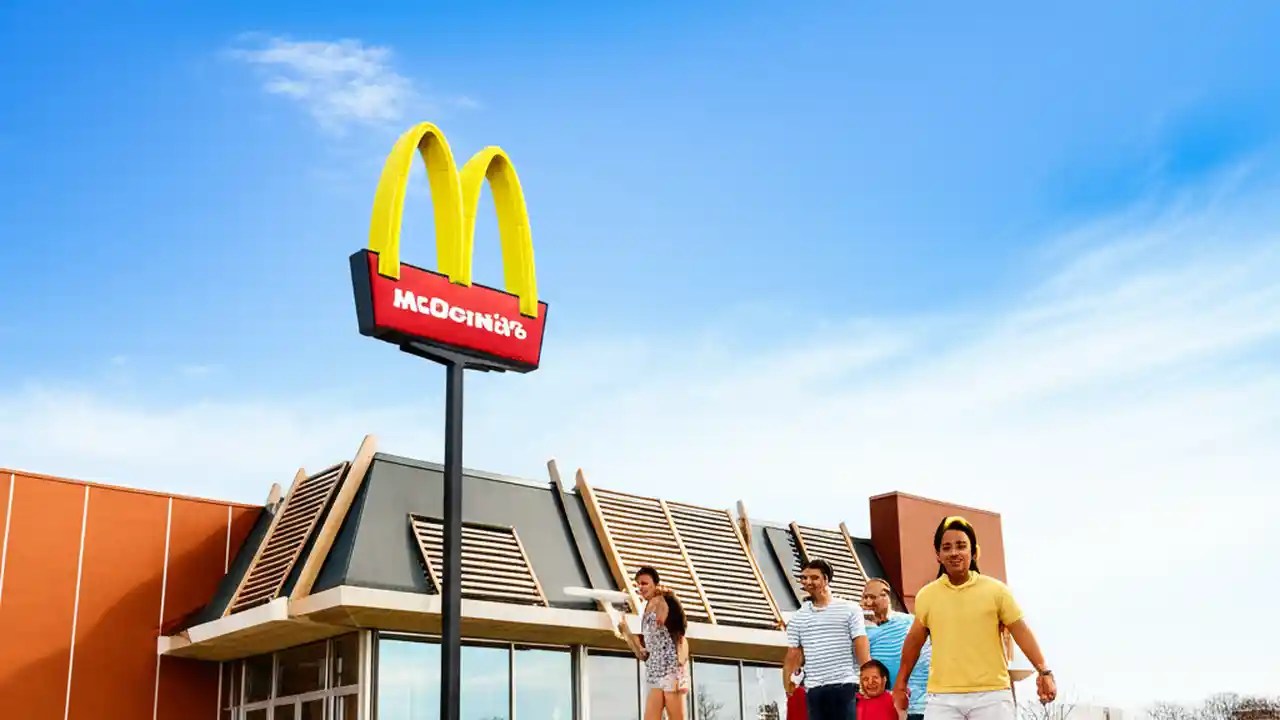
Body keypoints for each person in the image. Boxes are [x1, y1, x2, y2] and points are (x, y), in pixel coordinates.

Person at [892, 516, 1057, 720]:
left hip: (992, 696)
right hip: (943, 697)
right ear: (938, 555)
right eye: (947, 547)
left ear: (974, 552)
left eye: (961, 546)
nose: (954, 553)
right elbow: (914, 642)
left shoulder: (996, 591)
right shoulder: (927, 595)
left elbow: (1021, 631)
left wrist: (1044, 671)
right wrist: (900, 684)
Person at [783, 558, 872, 720]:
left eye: (814, 577)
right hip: (815, 689)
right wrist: (788, 684)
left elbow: (860, 643)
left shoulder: (850, 609)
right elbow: (793, 654)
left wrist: (868, 677)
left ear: (826, 579)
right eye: (804, 578)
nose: (808, 582)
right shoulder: (797, 618)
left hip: (846, 685)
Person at [618, 566, 691, 720]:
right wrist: (625, 631)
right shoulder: (645, 611)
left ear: (655, 585)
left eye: (644, 583)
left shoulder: (663, 599)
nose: (640, 587)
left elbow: (680, 628)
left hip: (671, 670)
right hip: (653, 674)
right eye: (638, 584)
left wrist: (662, 598)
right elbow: (643, 652)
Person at [862, 577, 931, 720]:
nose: (868, 602)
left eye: (872, 597)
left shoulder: (910, 622)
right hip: (888, 706)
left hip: (922, 703)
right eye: (865, 597)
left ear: (886, 596)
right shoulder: (862, 630)